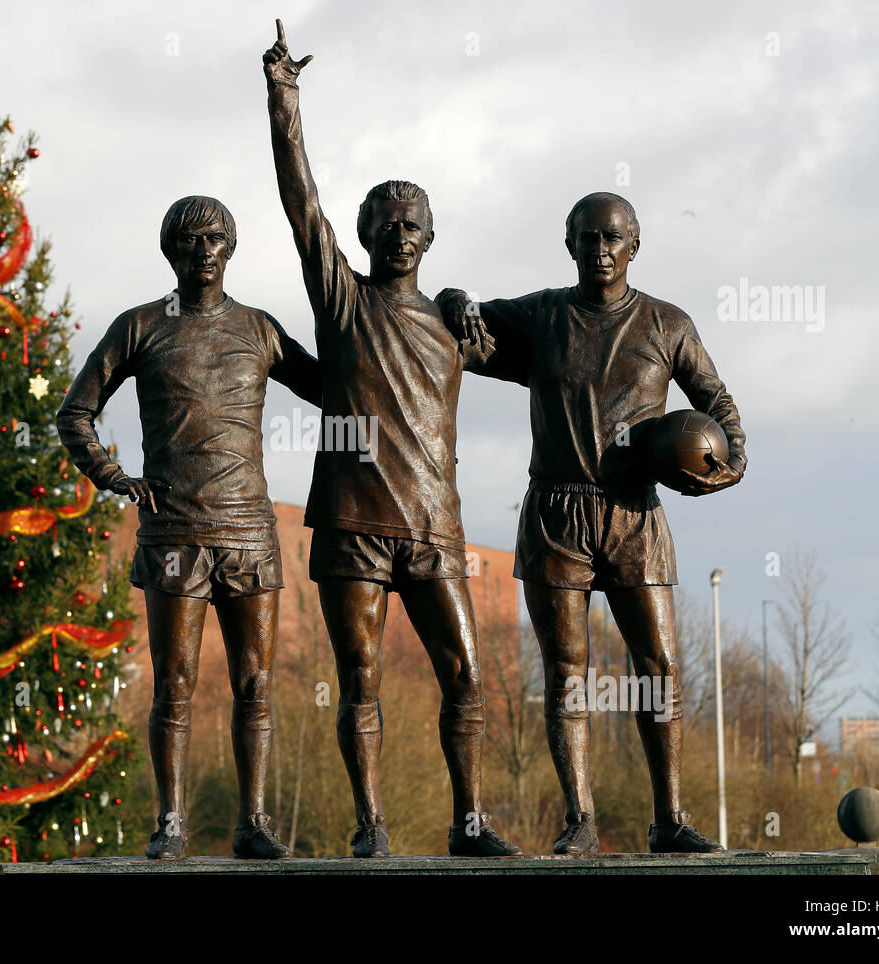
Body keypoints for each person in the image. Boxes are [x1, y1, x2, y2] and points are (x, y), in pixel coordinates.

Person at [263, 20, 521, 858]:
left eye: (414, 221)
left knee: (468, 678)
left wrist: (470, 306)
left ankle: (470, 822)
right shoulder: (343, 300)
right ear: (369, 234)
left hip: (435, 524)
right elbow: (303, 204)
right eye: (386, 219)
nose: (400, 230)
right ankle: (371, 825)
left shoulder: (455, 324)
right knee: (360, 680)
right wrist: (284, 101)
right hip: (352, 524)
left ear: (431, 236)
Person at [437, 192, 746, 854]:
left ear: (635, 246)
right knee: (566, 671)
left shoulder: (668, 323)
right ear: (569, 244)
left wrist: (730, 464)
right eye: (587, 238)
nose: (600, 250)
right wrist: (455, 293)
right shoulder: (543, 314)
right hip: (557, 512)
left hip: (636, 513)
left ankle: (670, 817)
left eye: (613, 238)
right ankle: (580, 817)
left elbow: (717, 401)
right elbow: (462, 327)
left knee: (659, 664)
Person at [56, 195, 320, 859]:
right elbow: (75, 412)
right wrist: (113, 479)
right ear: (170, 250)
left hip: (250, 534)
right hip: (174, 532)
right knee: (175, 684)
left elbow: (335, 386)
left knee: (255, 684)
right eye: (188, 240)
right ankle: (170, 823)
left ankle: (253, 822)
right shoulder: (140, 326)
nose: (201, 250)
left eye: (213, 239)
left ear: (230, 247)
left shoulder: (259, 329)